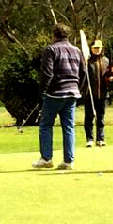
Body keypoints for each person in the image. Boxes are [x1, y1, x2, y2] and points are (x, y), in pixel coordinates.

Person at [34, 24, 86, 171]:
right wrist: (78, 88)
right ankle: (68, 161)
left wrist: (42, 92)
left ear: (53, 35)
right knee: (68, 127)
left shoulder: (51, 50)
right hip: (72, 93)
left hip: (55, 93)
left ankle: (46, 158)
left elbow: (47, 73)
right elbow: (83, 72)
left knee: (45, 125)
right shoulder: (77, 51)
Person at [83, 40, 113, 148]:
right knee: (89, 117)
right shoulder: (87, 61)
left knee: (100, 118)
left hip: (103, 94)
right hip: (90, 94)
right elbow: (82, 76)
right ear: (91, 49)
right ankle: (89, 139)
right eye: (95, 48)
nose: (97, 50)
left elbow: (109, 74)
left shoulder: (106, 61)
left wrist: (111, 79)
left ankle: (100, 139)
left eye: (98, 48)